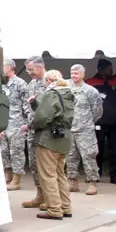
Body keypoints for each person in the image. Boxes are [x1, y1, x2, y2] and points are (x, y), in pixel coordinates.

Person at [28, 69, 75, 220]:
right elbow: (57, 113)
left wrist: (31, 125)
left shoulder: (52, 94)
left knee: (48, 175)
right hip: (64, 137)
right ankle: (65, 206)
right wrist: (36, 105)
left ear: (49, 81)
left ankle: (54, 209)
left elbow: (43, 117)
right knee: (60, 174)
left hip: (49, 139)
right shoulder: (68, 94)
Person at [87, 58, 116, 184]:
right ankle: (95, 175)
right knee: (96, 150)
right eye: (108, 68)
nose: (111, 70)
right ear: (101, 69)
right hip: (97, 122)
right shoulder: (90, 83)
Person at [66, 64, 103, 195]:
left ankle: (92, 183)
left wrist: (87, 122)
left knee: (89, 156)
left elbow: (97, 111)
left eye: (76, 73)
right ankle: (72, 181)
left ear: (83, 75)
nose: (73, 76)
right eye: (72, 73)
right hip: (70, 128)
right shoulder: (66, 88)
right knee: (70, 157)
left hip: (85, 129)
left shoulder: (90, 91)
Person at [20, 56, 48, 208]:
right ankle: (40, 194)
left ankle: (51, 198)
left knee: (47, 165)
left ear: (40, 67)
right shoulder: (32, 84)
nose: (29, 72)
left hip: (46, 131)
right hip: (32, 130)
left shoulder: (52, 82)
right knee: (34, 164)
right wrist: (29, 119)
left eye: (31, 69)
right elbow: (26, 104)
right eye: (28, 70)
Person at [0, 58, 29, 191]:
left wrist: (27, 123)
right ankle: (8, 175)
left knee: (16, 151)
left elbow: (26, 104)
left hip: (17, 122)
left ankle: (16, 179)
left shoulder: (20, 84)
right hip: (3, 122)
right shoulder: (1, 84)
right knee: (3, 150)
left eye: (3, 67)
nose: (1, 69)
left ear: (10, 68)